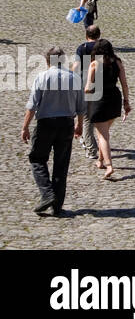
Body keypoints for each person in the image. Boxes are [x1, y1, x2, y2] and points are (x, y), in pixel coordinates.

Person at [22, 47, 86, 215]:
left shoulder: (42, 77)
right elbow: (81, 107)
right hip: (66, 124)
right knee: (61, 163)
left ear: (47, 61)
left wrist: (25, 127)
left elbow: (32, 105)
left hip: (46, 124)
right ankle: (57, 205)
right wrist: (79, 125)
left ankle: (47, 193)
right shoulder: (74, 78)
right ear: (64, 60)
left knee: (37, 158)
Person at [84, 39, 129, 180]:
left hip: (99, 101)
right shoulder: (118, 62)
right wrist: (126, 102)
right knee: (103, 132)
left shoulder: (94, 64)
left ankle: (109, 166)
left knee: (103, 135)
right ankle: (100, 161)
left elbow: (88, 88)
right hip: (114, 99)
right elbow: (124, 84)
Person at [73, 25, 101, 159]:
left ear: (86, 35)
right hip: (101, 83)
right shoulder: (103, 47)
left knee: (86, 118)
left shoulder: (82, 48)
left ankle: (90, 147)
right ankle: (90, 140)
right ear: (99, 35)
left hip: (85, 83)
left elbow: (77, 66)